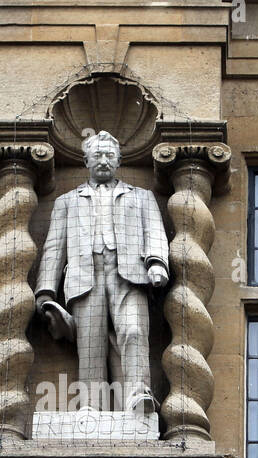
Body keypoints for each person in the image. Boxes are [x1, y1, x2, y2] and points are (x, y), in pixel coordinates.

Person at [35, 130, 169, 414]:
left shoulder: (142, 197)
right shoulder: (67, 202)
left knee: (133, 331)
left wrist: (157, 262)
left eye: (110, 156)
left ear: (119, 160)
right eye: (98, 155)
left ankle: (138, 395)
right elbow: (54, 249)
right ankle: (91, 406)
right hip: (85, 276)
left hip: (130, 274)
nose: (104, 161)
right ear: (86, 160)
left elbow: (155, 231)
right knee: (90, 343)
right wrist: (45, 291)